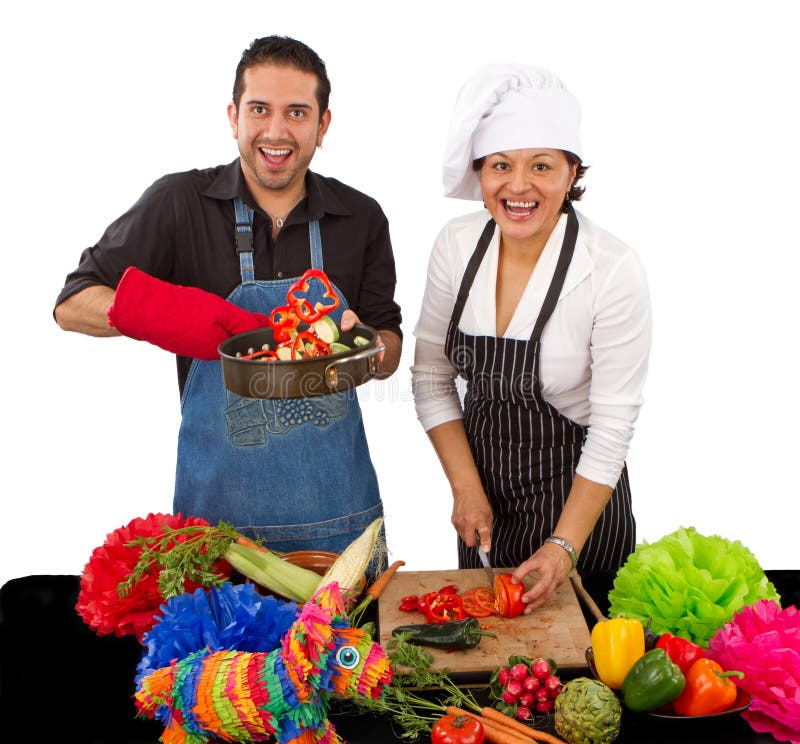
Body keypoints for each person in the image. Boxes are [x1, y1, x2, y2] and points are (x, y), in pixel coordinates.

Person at [54, 36, 402, 555]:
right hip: (215, 526)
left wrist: (367, 349)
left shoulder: (362, 217)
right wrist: (172, 315)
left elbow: (389, 342)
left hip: (338, 519)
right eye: (259, 109)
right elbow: (72, 302)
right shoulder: (179, 203)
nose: (276, 131)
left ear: (323, 124)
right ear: (233, 116)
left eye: (297, 112)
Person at [411, 64, 651, 611]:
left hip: (581, 510)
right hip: (485, 504)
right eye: (501, 165)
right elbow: (431, 377)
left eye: (541, 165)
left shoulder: (610, 269)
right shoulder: (456, 245)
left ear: (571, 172)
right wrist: (465, 488)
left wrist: (564, 545)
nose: (518, 186)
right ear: (480, 173)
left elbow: (613, 427)